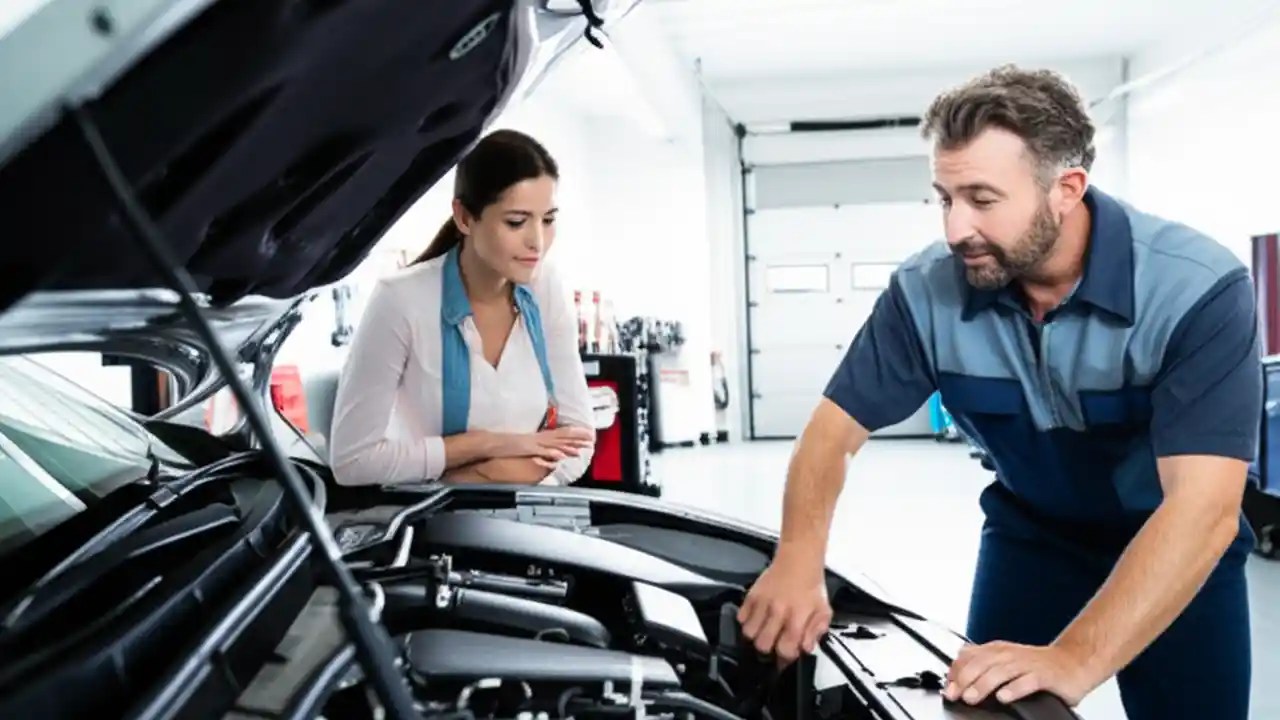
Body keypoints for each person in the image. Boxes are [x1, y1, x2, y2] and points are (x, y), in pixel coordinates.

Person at [737, 65, 1260, 720]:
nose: (956, 229)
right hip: (1033, 540)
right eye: (944, 198)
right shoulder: (926, 292)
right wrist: (797, 558)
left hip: (1178, 543)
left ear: (1065, 190)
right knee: (985, 709)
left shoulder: (1195, 291)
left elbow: (1204, 508)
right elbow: (831, 434)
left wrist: (1073, 659)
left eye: (982, 200)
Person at [328, 129, 596, 487]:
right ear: (465, 218)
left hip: (531, 514)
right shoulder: (401, 300)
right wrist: (486, 445)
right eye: (516, 222)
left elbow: (578, 439)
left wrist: (481, 474)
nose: (537, 242)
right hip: (434, 526)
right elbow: (352, 462)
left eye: (547, 220)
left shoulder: (545, 288)